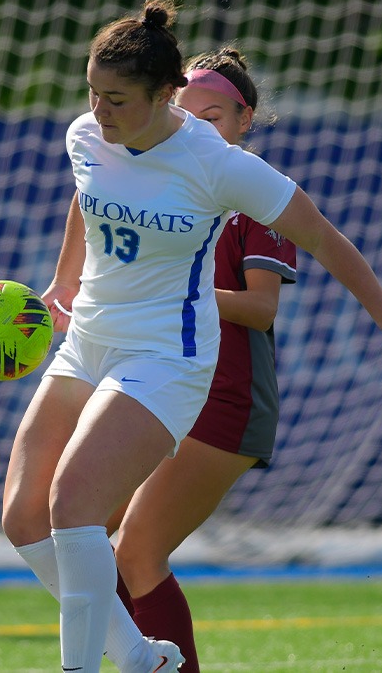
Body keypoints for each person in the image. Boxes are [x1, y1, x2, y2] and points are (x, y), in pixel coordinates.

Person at [0, 1, 382, 672]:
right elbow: (87, 195)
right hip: (85, 342)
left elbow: (319, 233)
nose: (100, 109)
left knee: (73, 508)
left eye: (116, 98)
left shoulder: (215, 162)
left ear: (164, 95)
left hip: (165, 359)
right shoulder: (86, 133)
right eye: (93, 92)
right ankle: (142, 654)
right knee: (22, 520)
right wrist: (64, 278)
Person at [106, 46, 296, 673]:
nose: (195, 127)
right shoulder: (152, 188)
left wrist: (176, 289)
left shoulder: (254, 195)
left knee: (135, 551)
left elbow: (260, 308)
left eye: (213, 116)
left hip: (226, 400)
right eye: (184, 114)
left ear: (246, 120)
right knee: (79, 539)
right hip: (162, 387)